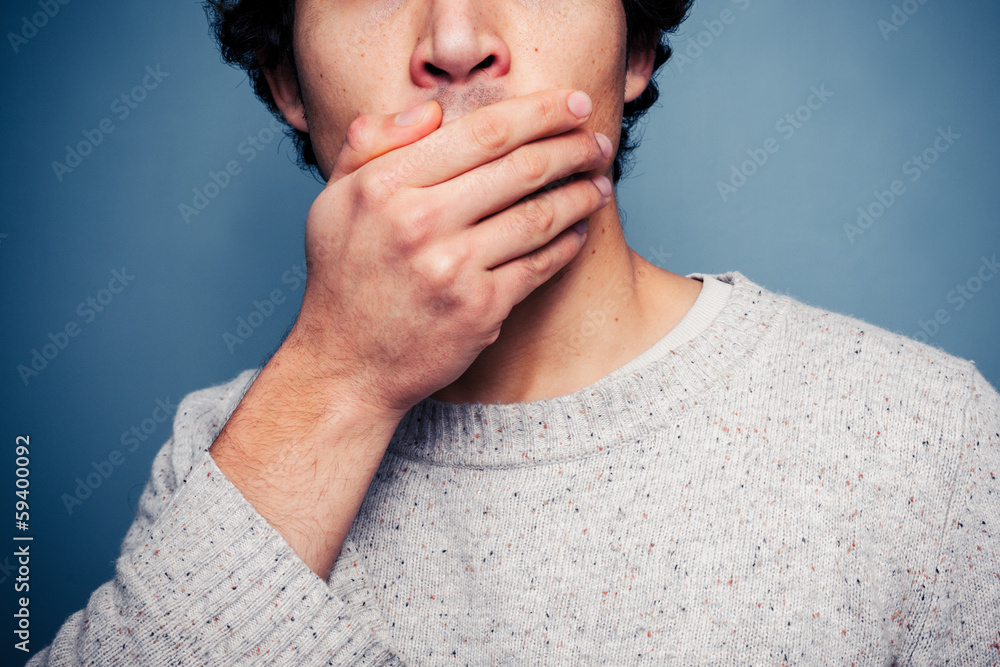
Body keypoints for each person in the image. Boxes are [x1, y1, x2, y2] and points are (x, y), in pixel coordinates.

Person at [31, 0, 999, 664]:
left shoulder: (925, 436)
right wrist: (340, 377)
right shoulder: (225, 455)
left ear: (634, 48)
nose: (456, 42)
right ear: (288, 80)